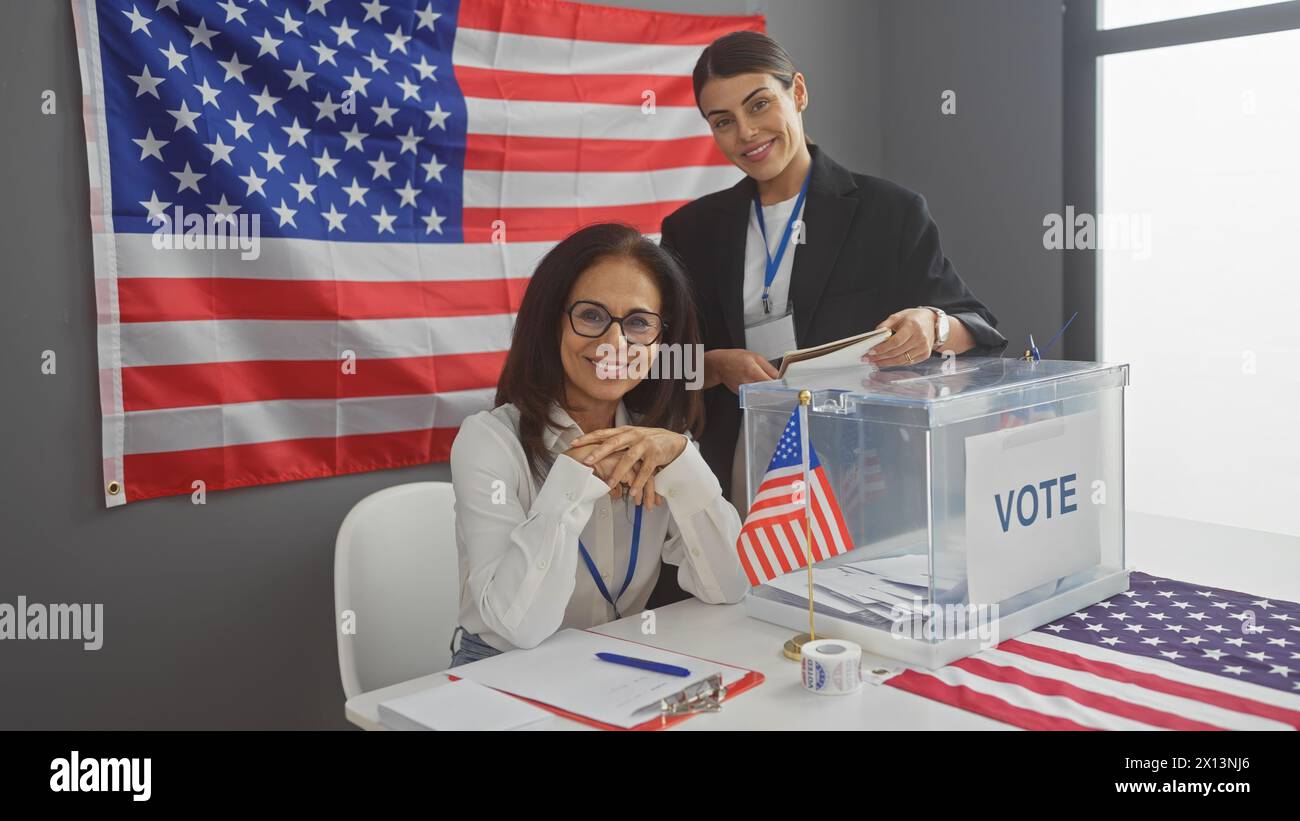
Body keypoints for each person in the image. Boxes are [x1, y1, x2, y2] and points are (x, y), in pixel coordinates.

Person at [660, 30, 1008, 511]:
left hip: (862, 472)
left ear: (797, 93)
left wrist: (933, 324)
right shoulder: (690, 230)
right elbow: (657, 361)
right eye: (723, 121)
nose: (746, 133)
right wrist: (712, 365)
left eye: (759, 105)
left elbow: (979, 325)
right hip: (735, 466)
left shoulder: (889, 211)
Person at [447, 223, 749, 667]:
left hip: (615, 661)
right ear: (553, 322)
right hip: (501, 668)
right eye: (591, 316)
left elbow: (730, 587)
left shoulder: (661, 444)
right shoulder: (489, 440)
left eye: (639, 323)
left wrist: (685, 462)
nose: (614, 344)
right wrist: (572, 482)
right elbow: (518, 628)